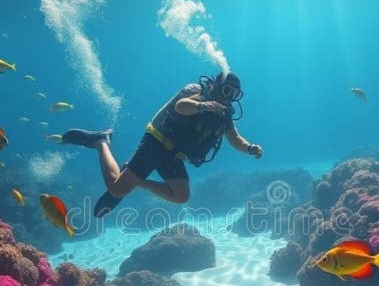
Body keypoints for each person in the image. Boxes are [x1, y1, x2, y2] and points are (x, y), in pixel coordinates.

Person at [62, 71, 263, 217]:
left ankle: (136, 181)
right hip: (157, 142)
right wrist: (204, 106)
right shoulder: (199, 93)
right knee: (116, 190)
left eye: (234, 94)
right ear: (216, 86)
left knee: (181, 196)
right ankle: (101, 141)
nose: (228, 97)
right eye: (226, 90)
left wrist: (249, 148)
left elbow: (234, 138)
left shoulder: (224, 114)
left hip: (174, 156)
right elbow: (181, 106)